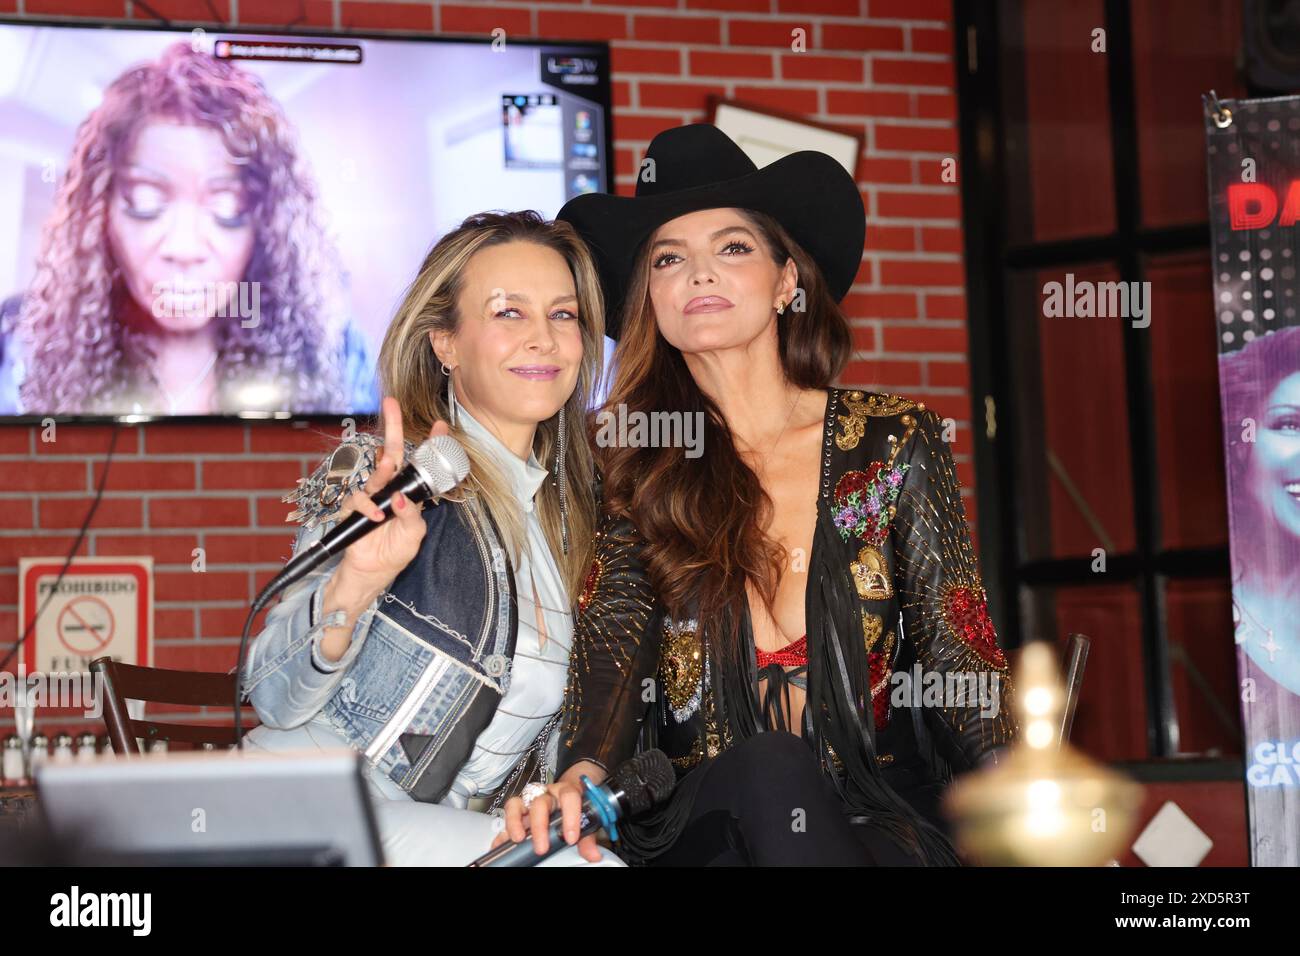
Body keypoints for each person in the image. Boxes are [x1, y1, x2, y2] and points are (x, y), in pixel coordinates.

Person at [506, 124, 1018, 866]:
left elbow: (955, 644)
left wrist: (1022, 791)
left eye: (733, 248)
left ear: (787, 280)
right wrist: (584, 771)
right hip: (709, 816)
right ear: (649, 296)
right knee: (775, 765)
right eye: (669, 258)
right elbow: (614, 633)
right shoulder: (622, 457)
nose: (700, 275)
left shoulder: (894, 440)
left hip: (882, 808)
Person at [241, 209, 619, 866]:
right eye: (509, 313)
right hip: (308, 809)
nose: (544, 339)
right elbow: (271, 695)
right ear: (444, 343)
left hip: (433, 833)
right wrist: (357, 581)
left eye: (563, 315)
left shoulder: (575, 522)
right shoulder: (382, 475)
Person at [3, 42, 376, 416]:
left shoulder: (337, 355)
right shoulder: (22, 350)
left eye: (227, 207)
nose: (184, 248)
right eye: (146, 201)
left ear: (264, 226)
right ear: (100, 215)